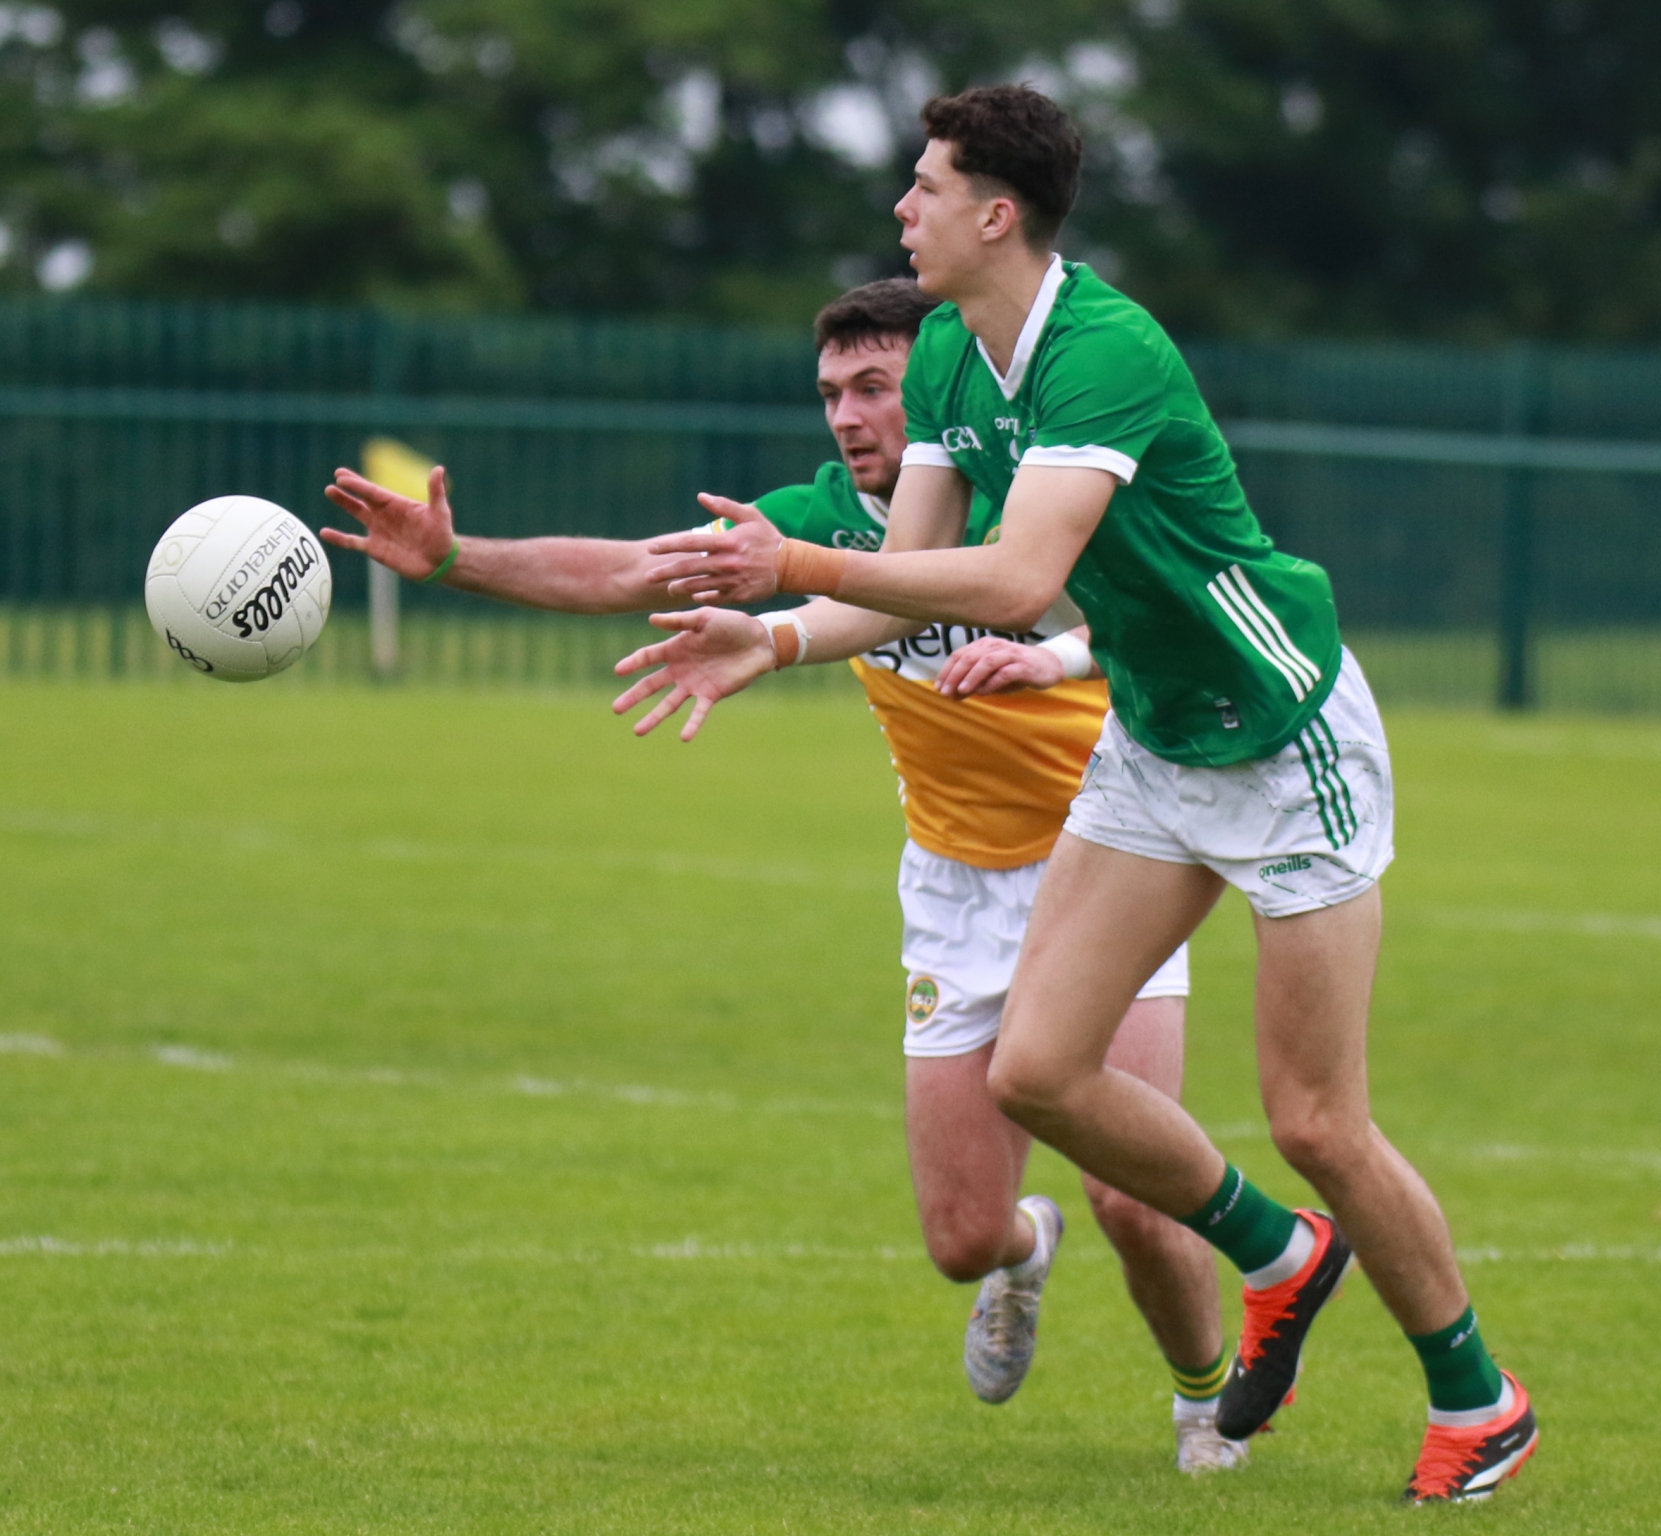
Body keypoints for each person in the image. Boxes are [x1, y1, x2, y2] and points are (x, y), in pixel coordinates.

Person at [622, 85, 1538, 1504]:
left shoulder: (1103, 349)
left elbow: (1015, 582)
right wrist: (781, 635)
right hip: (1157, 744)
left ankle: (1480, 1400)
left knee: (1315, 1121)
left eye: (926, 186)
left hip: (1282, 733)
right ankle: (1281, 1254)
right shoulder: (946, 351)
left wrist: (793, 568)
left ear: (998, 214)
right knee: (1036, 1071)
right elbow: (904, 576)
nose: (901, 209)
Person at [317, 278, 1249, 1476]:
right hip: (954, 889)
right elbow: (631, 571)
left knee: (1135, 1194)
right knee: (960, 1239)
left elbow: (1143, 603)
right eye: (831, 393)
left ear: (941, 386)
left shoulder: (1039, 494)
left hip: (1109, 864)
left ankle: (1206, 1406)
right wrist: (454, 559)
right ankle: (1025, 1252)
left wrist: (1058, 655)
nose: (848, 417)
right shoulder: (817, 523)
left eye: (876, 388)